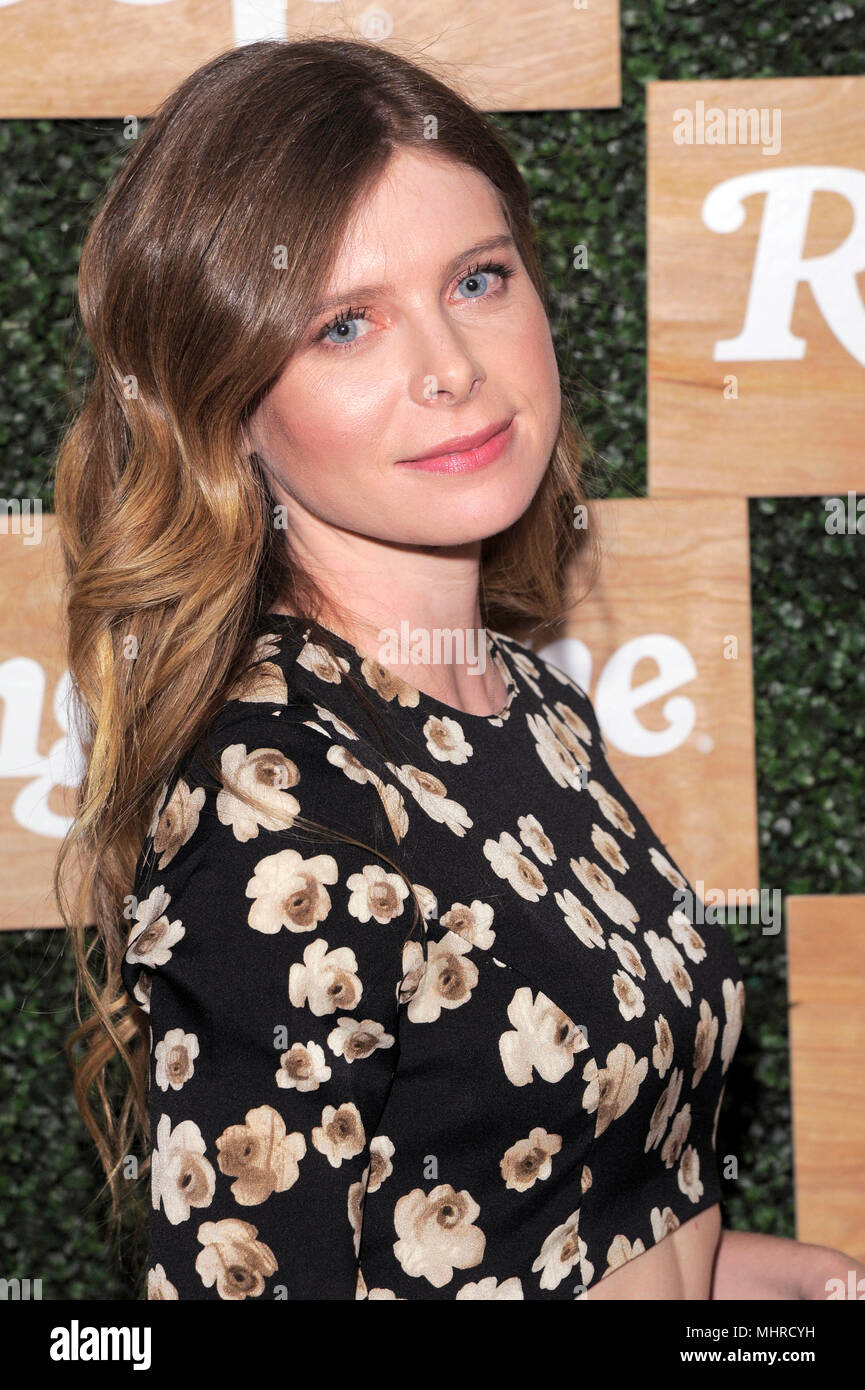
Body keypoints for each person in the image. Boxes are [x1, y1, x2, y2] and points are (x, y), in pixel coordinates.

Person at [54, 36, 864, 1301]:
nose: (450, 368)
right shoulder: (276, 803)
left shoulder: (526, 702)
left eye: (477, 280)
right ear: (227, 404)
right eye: (344, 325)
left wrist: (783, 1288)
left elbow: (537, 1220)